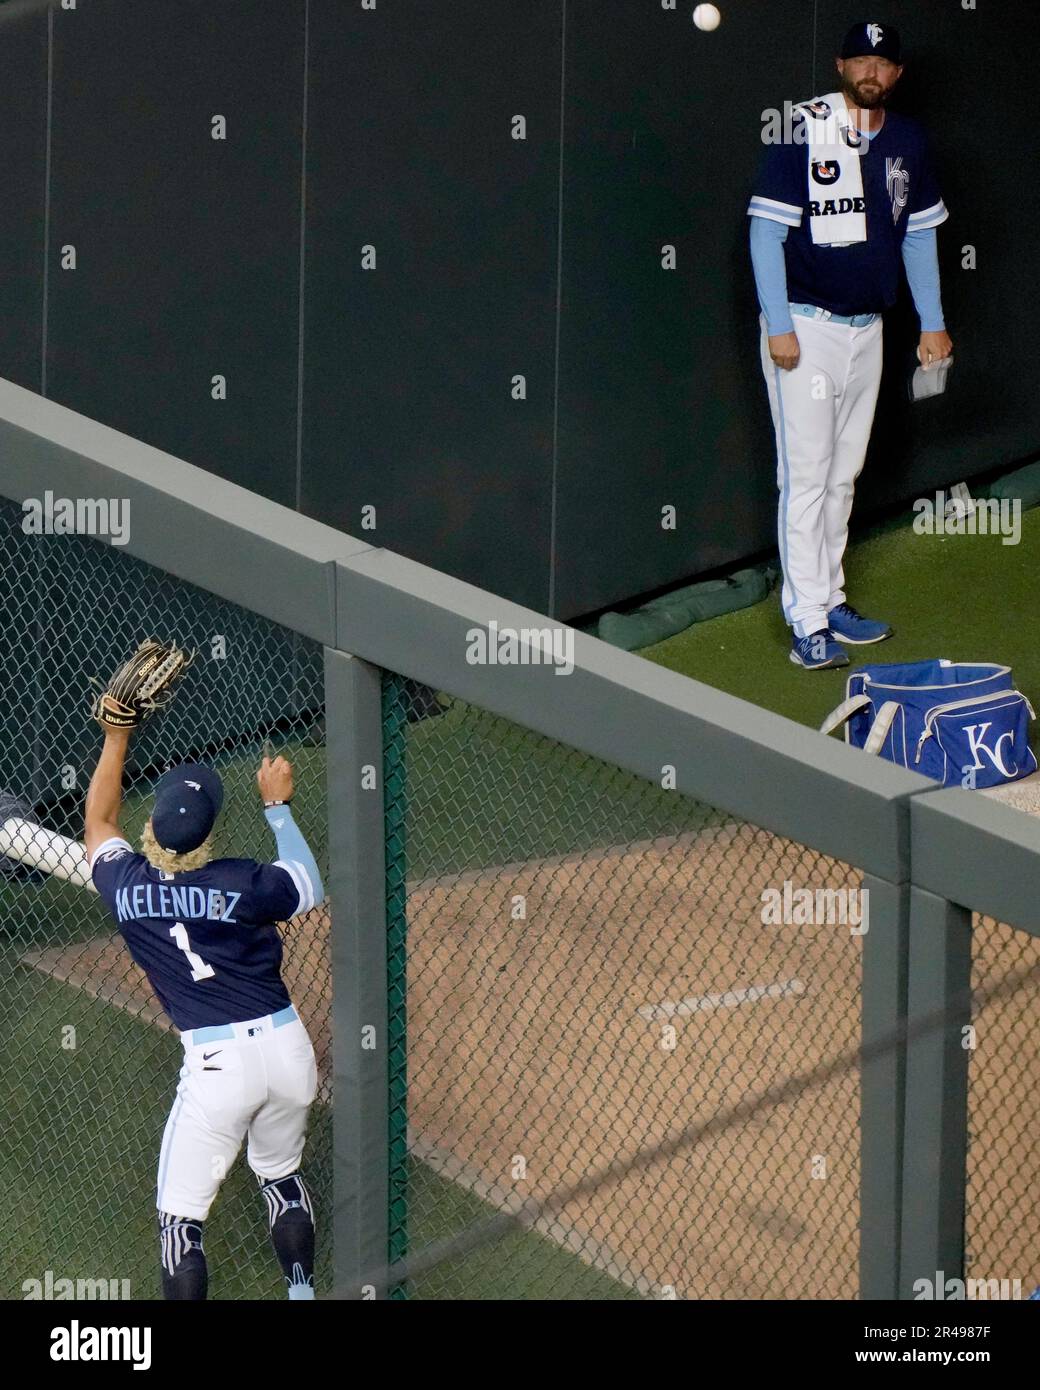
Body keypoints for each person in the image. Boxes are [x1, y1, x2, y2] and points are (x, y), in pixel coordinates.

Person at [84, 722, 324, 1300]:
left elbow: (97, 822)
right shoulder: (245, 880)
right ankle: (301, 1293)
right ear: (209, 833)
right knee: (282, 1178)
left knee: (180, 1224)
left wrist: (116, 737)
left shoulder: (125, 886)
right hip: (288, 1052)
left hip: (218, 1071)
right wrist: (277, 807)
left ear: (150, 827)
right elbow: (308, 885)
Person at [748, 21, 952, 669]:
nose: (871, 70)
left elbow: (919, 235)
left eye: (883, 61)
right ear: (841, 66)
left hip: (870, 329)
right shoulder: (803, 128)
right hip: (805, 327)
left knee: (842, 474)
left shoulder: (909, 141)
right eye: (860, 58)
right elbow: (763, 235)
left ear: (895, 75)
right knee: (805, 476)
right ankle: (806, 618)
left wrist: (933, 321)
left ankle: (831, 598)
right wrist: (778, 324)